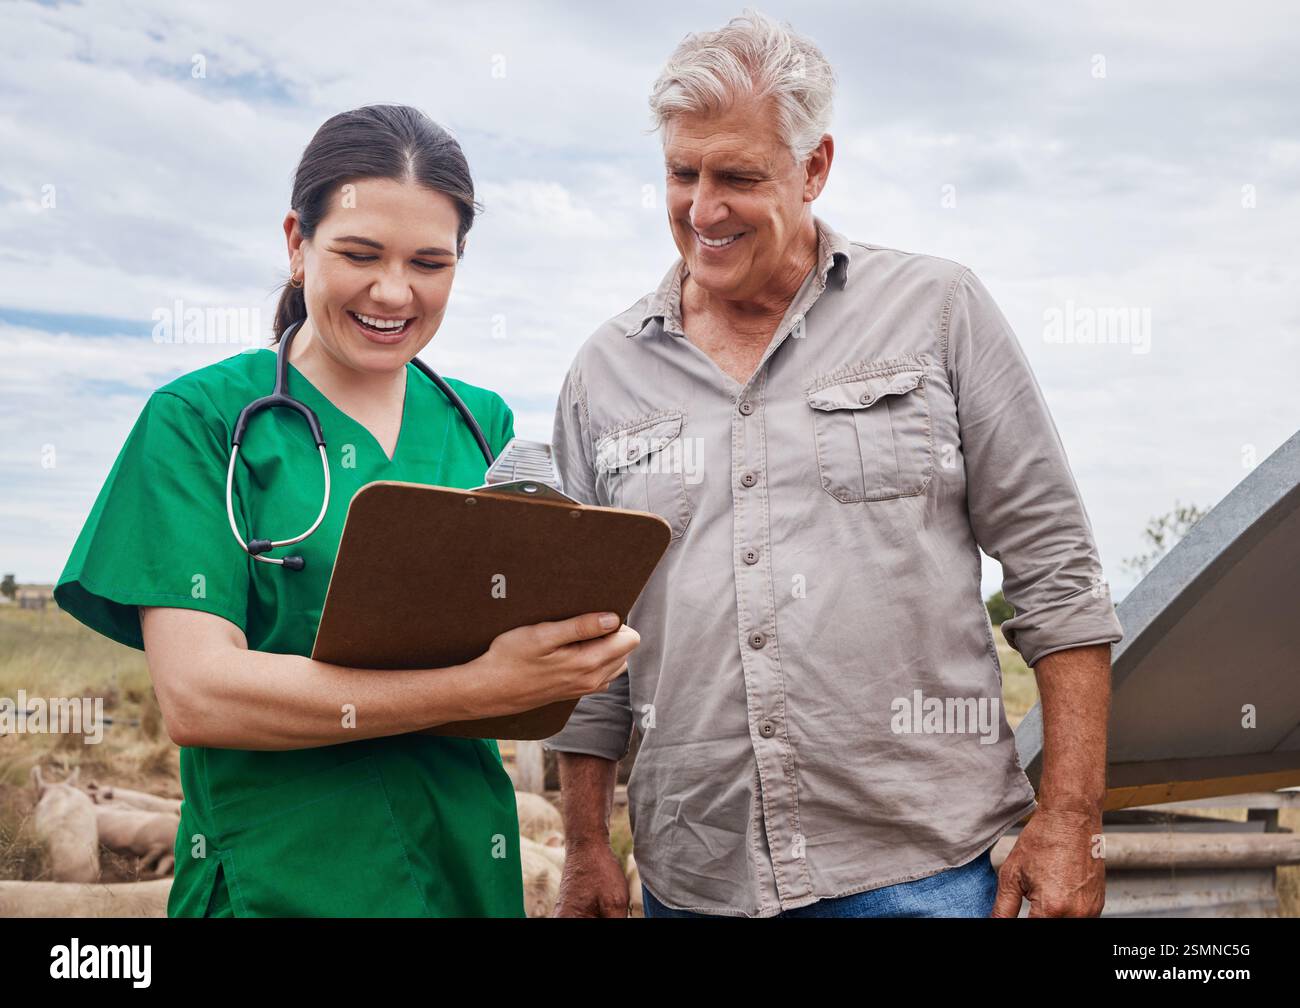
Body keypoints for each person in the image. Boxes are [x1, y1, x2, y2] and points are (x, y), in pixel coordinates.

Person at [544, 12, 1122, 918]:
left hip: (923, 877)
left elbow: (1058, 574)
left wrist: (1071, 820)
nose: (703, 210)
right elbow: (586, 640)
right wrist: (583, 846)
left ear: (814, 168)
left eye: (737, 176)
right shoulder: (603, 373)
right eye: (681, 173)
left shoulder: (937, 309)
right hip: (693, 888)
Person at [54, 104, 639, 918]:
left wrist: (572, 658)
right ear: (296, 244)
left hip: (464, 871)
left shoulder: (485, 430)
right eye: (359, 254)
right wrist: (474, 688)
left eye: (430, 263)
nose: (393, 291)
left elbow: (520, 675)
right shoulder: (200, 422)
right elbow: (199, 694)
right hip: (279, 879)